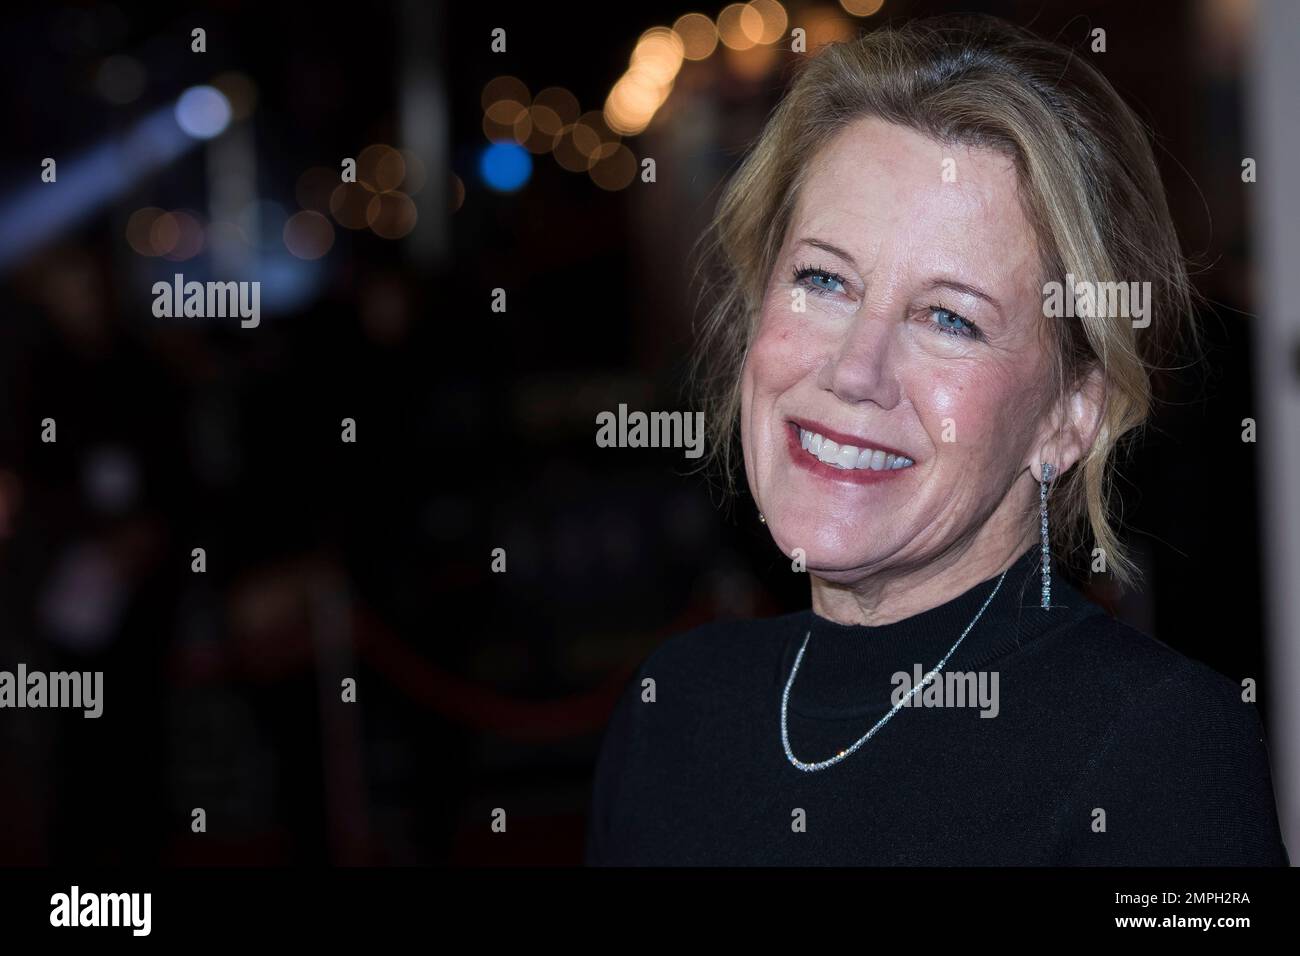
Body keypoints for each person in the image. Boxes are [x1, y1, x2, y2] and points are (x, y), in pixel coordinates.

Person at [584, 14, 1289, 866]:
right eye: (823, 279)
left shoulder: (1159, 753)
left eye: (949, 317)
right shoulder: (675, 707)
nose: (855, 370)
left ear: (1071, 415)